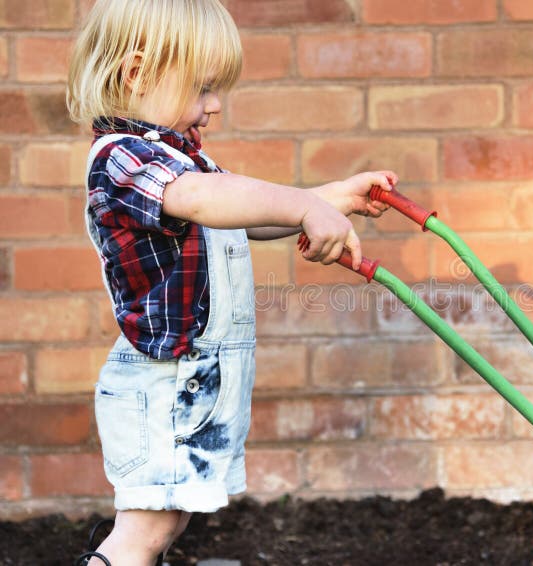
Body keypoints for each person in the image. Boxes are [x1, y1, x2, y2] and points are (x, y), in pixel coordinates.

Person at [66, 1, 396, 564]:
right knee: (143, 534)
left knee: (165, 527)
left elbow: (240, 215)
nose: (214, 104)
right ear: (137, 72)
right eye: (203, 87)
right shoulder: (123, 160)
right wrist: (300, 206)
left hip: (192, 380)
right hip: (164, 386)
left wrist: (327, 199)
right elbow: (206, 199)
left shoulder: (176, 157)